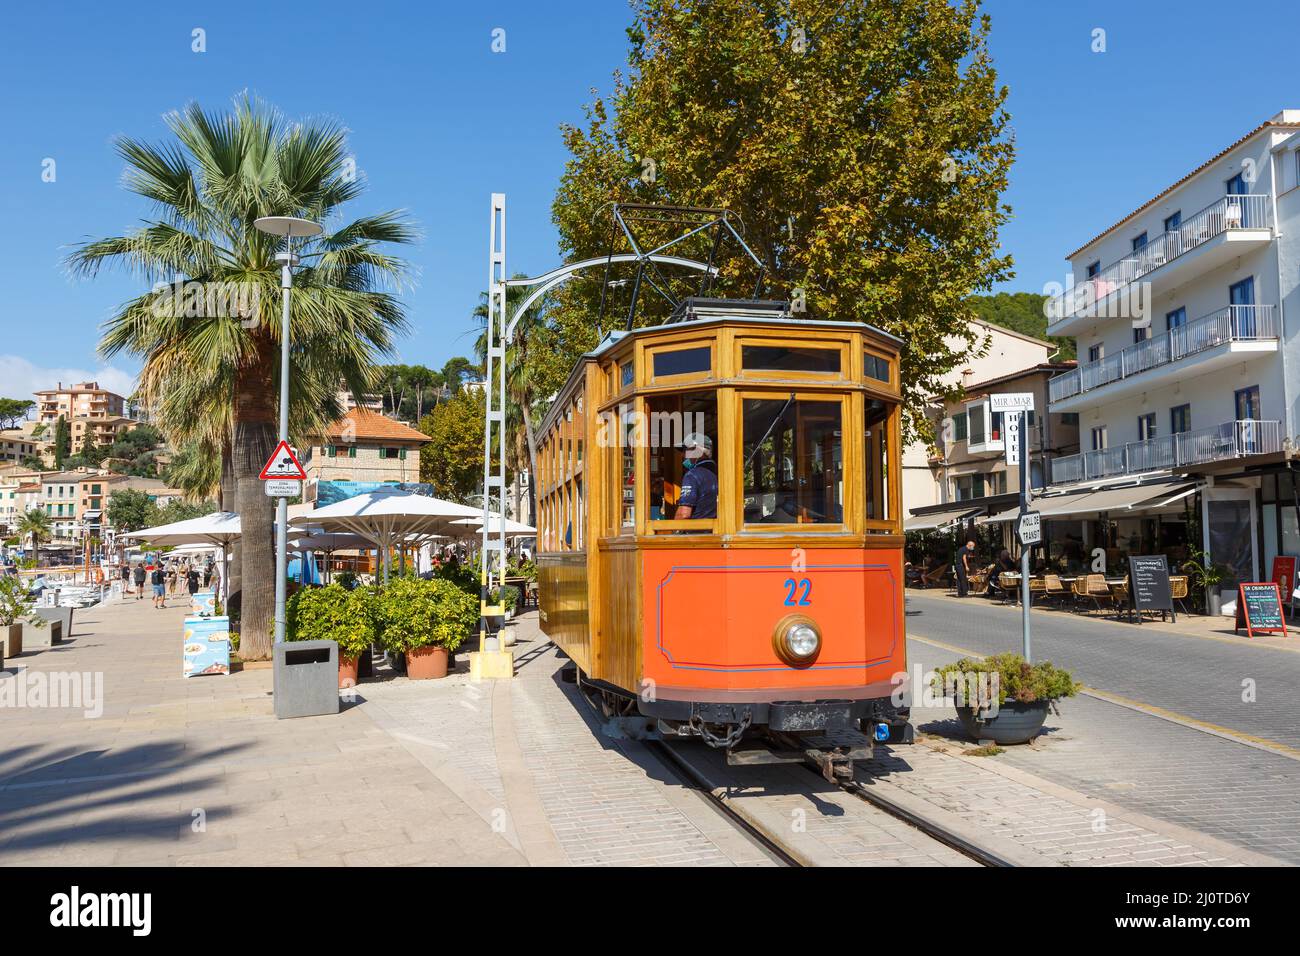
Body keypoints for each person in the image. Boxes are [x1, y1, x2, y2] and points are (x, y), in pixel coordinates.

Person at [674, 433, 718, 520]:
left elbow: (684, 514)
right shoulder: (717, 474)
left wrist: (673, 531)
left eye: (685, 450)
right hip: (712, 531)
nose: (683, 455)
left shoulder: (692, 475)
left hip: (695, 531)